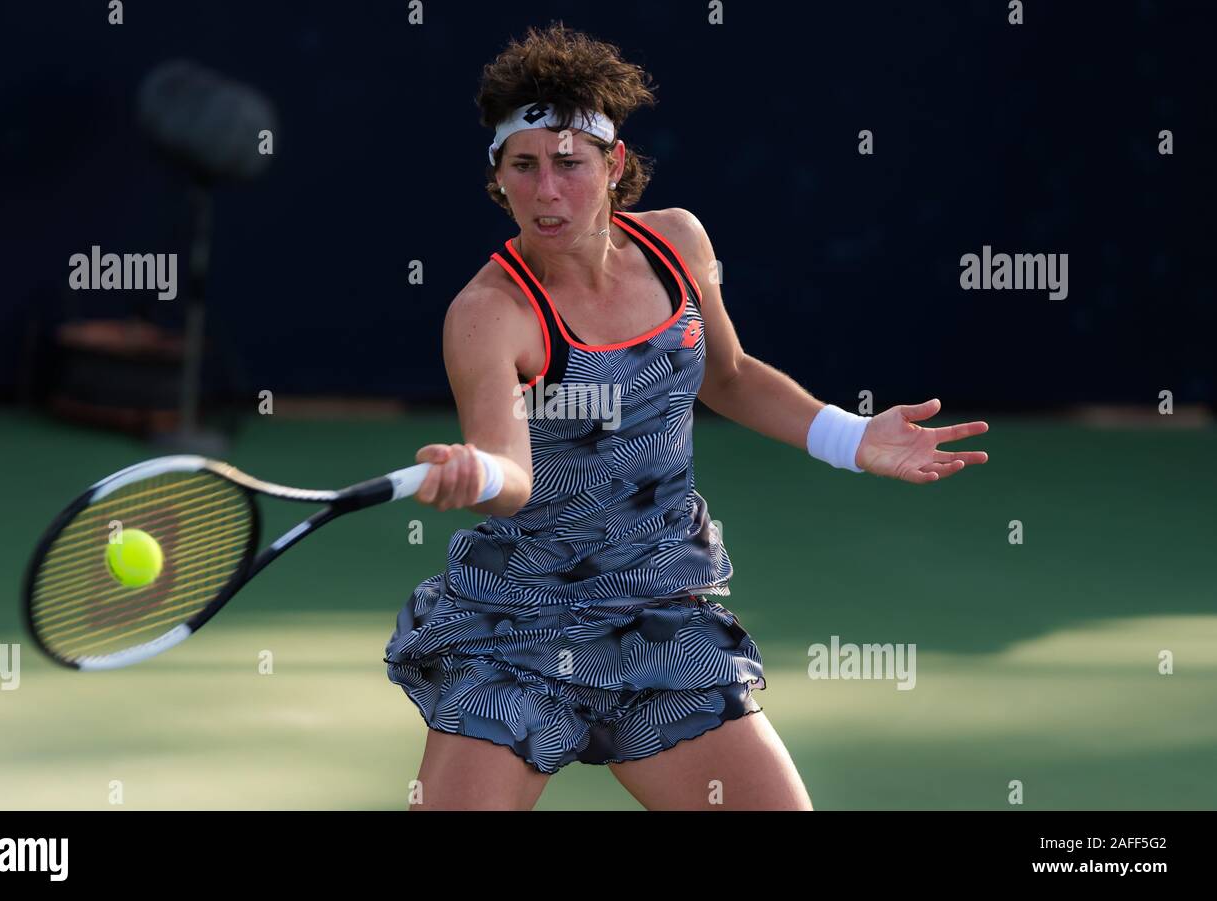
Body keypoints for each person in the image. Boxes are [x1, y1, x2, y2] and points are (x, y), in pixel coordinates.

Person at [384, 22, 988, 811]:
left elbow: (728, 376)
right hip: (516, 628)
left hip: (659, 619)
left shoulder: (678, 243)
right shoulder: (488, 314)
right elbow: (512, 474)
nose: (546, 191)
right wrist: (477, 471)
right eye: (523, 167)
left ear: (614, 165)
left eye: (569, 163)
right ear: (498, 177)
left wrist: (850, 436)